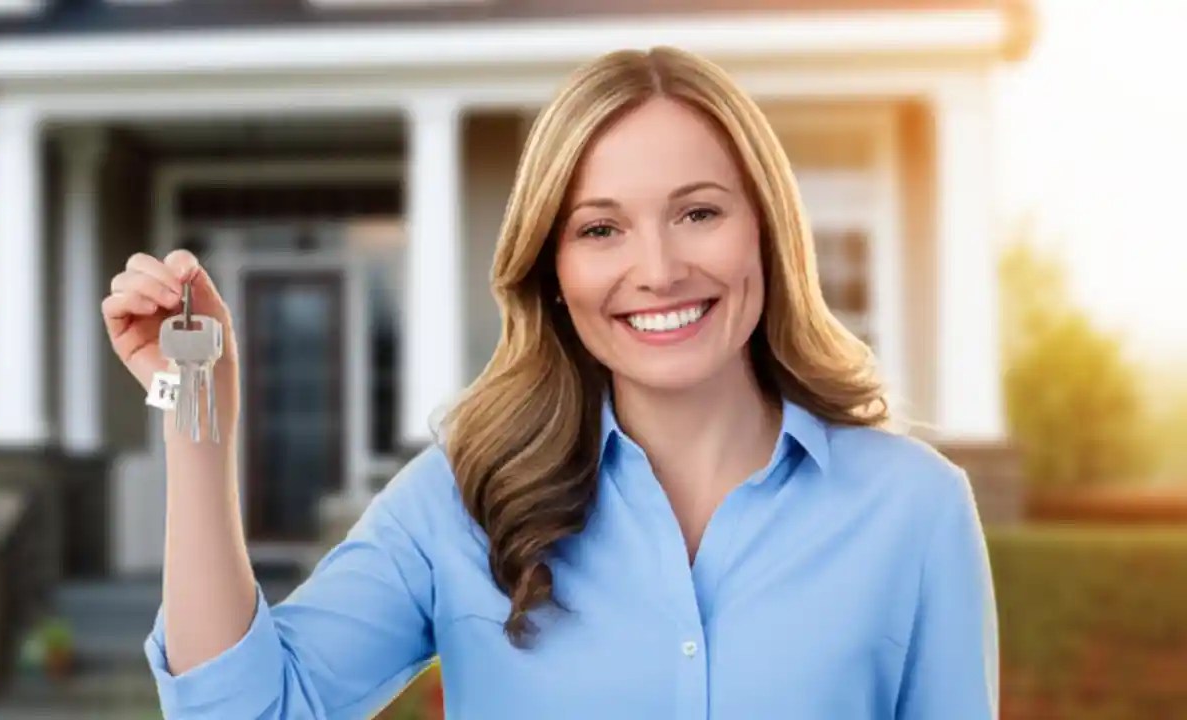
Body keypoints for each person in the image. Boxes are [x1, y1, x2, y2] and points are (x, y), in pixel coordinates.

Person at [102, 46, 998, 720]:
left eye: (698, 212)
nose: (658, 268)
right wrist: (199, 413)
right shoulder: (463, 500)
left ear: (766, 229)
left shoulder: (913, 510)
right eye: (601, 229)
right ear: (551, 269)